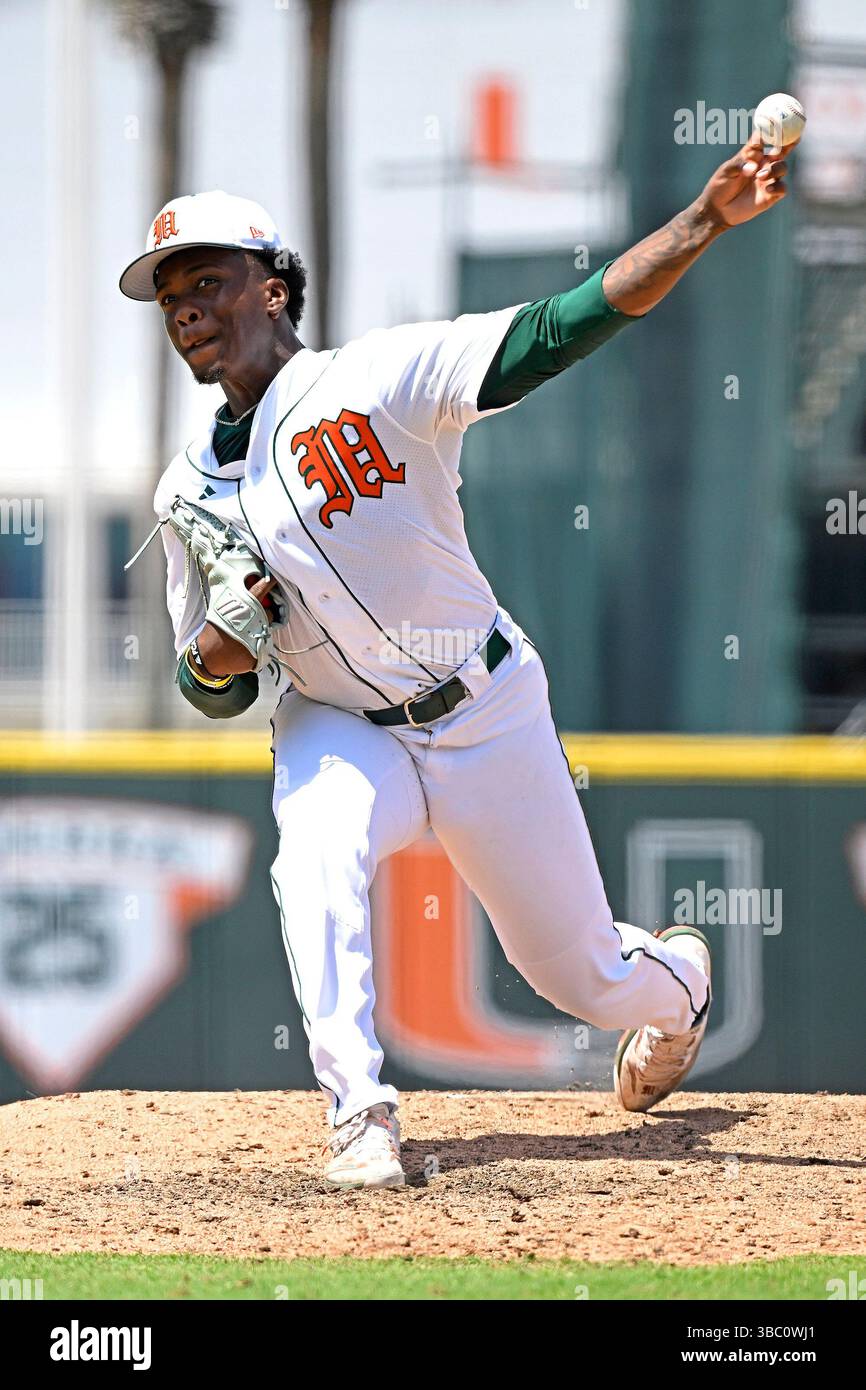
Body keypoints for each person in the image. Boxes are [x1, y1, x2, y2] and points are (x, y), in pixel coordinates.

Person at [120, 130, 792, 1188]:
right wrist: (211, 658)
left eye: (209, 279)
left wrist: (703, 220)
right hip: (338, 721)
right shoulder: (182, 492)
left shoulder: (376, 378)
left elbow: (558, 329)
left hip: (483, 706)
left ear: (277, 290)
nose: (188, 307)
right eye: (171, 298)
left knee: (577, 976)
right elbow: (205, 687)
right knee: (314, 854)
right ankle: (360, 1114)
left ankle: (675, 987)